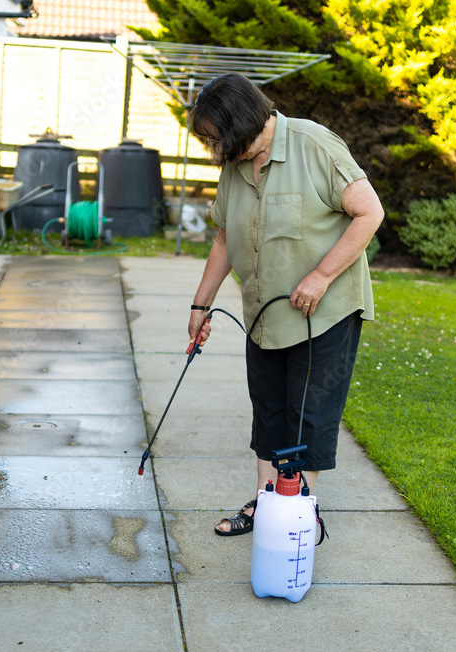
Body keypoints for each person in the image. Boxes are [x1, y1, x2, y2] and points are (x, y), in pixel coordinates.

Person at [185, 73, 384, 535]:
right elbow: (224, 235)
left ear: (243, 123)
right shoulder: (235, 163)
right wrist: (201, 306)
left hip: (325, 313)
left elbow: (369, 212)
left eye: (219, 139)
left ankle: (298, 512)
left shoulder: (314, 144)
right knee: (269, 410)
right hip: (264, 314)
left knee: (307, 414)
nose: (216, 151)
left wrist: (320, 276)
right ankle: (263, 504)